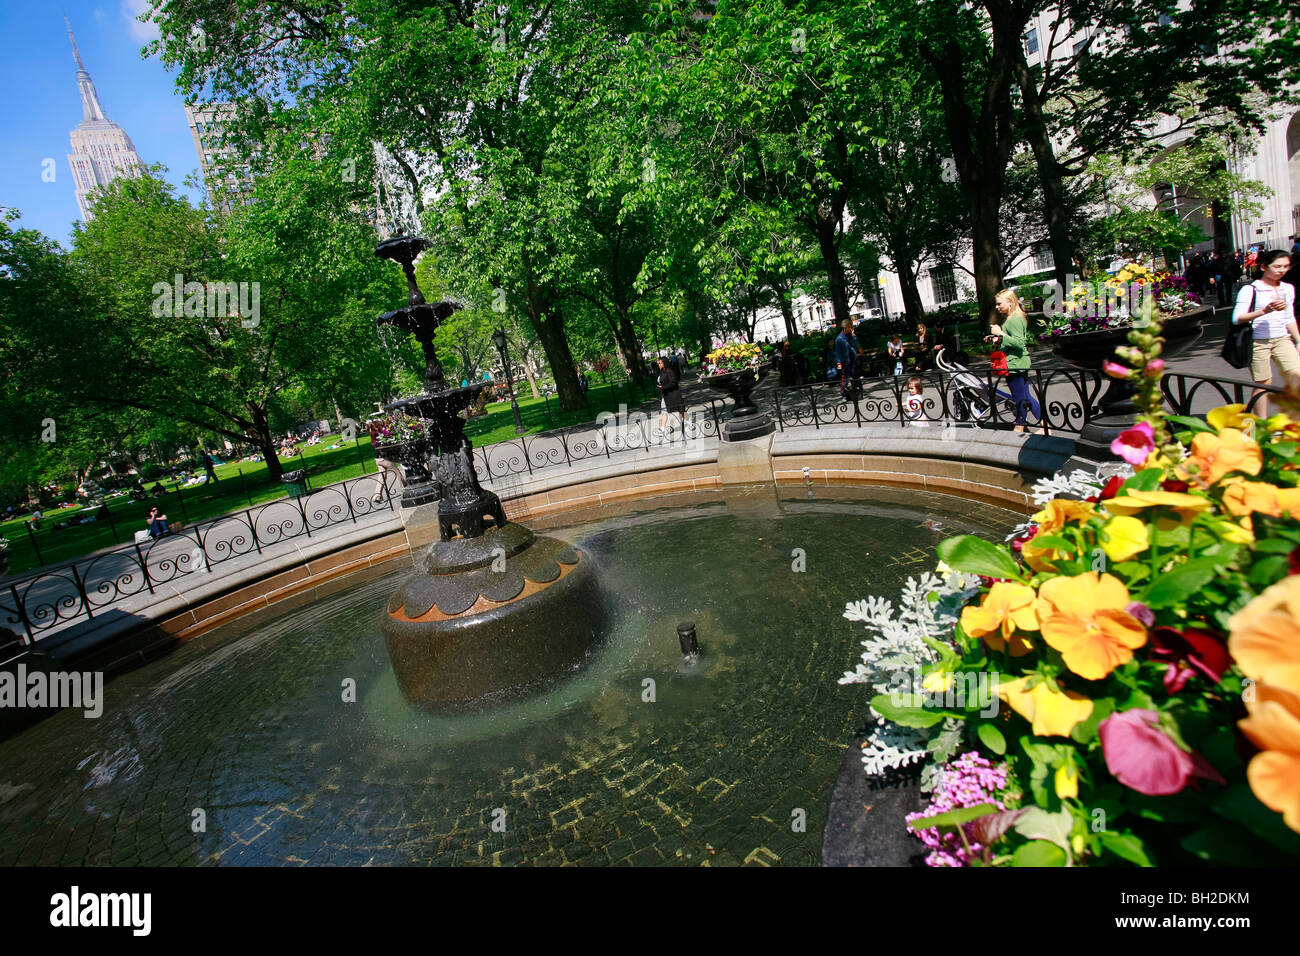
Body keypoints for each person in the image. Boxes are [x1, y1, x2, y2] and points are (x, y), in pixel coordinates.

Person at [1232, 249, 1297, 418]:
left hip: (1282, 339)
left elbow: (1289, 317)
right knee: (1263, 383)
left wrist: (1298, 340)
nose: (1281, 270)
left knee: (1296, 376)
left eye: (1285, 266)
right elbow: (1237, 318)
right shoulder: (1251, 289)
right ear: (1263, 267)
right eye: (1276, 266)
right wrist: (1264, 311)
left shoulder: (1288, 288)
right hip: (1257, 341)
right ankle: (1261, 424)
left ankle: (1294, 420)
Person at [988, 289, 1044, 435]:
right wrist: (998, 339)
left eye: (999, 303)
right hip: (1017, 362)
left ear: (1010, 302)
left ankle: (1020, 426)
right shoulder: (1016, 318)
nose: (997, 307)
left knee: (1019, 396)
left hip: (1015, 363)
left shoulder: (1014, 320)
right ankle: (1041, 425)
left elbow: (1019, 343)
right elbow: (1014, 340)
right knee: (1025, 395)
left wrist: (1000, 334)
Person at [657, 356, 685, 436]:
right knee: (664, 411)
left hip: (673, 394)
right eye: (658, 363)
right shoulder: (661, 372)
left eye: (660, 363)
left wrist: (663, 387)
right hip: (665, 395)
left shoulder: (669, 371)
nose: (658, 364)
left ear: (664, 363)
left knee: (680, 409)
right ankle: (662, 429)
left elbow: (673, 382)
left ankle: (689, 423)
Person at [835, 319, 862, 399]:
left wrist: (854, 337)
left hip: (853, 360)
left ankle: (858, 393)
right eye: (849, 327)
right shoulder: (839, 338)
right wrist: (839, 362)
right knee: (846, 379)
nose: (851, 329)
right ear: (845, 327)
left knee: (856, 376)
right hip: (845, 361)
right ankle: (844, 394)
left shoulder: (851, 336)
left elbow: (857, 345)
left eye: (851, 327)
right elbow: (838, 352)